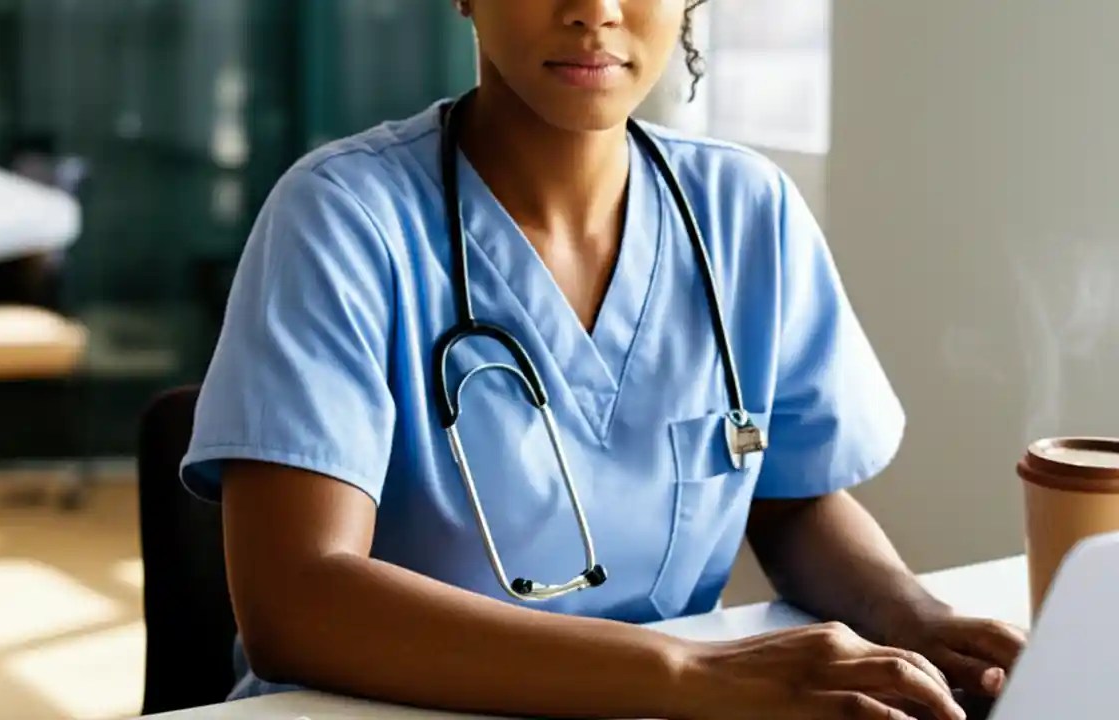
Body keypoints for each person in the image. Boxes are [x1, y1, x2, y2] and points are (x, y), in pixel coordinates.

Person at [181, 1, 1026, 718]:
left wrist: (909, 615)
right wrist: (688, 674)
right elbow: (297, 602)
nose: (594, 9)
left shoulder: (744, 210)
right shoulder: (343, 220)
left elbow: (792, 502)